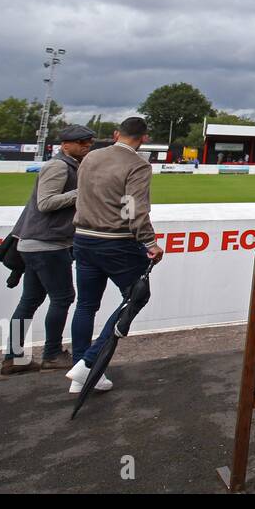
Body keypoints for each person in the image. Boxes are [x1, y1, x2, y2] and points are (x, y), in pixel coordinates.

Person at [67, 116, 163, 394]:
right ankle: (88, 363)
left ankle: (81, 372)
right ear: (144, 137)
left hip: (83, 238)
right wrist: (150, 242)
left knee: (85, 305)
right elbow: (134, 209)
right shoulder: (137, 164)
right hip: (116, 242)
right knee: (136, 296)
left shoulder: (92, 157)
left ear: (116, 133)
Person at [0, 124, 95, 375]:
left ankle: (14, 357)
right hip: (48, 243)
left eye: (89, 142)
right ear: (65, 145)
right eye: (81, 142)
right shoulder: (59, 166)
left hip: (38, 243)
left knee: (30, 301)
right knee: (62, 298)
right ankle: (52, 354)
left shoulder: (69, 165)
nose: (86, 146)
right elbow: (46, 203)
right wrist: (81, 192)